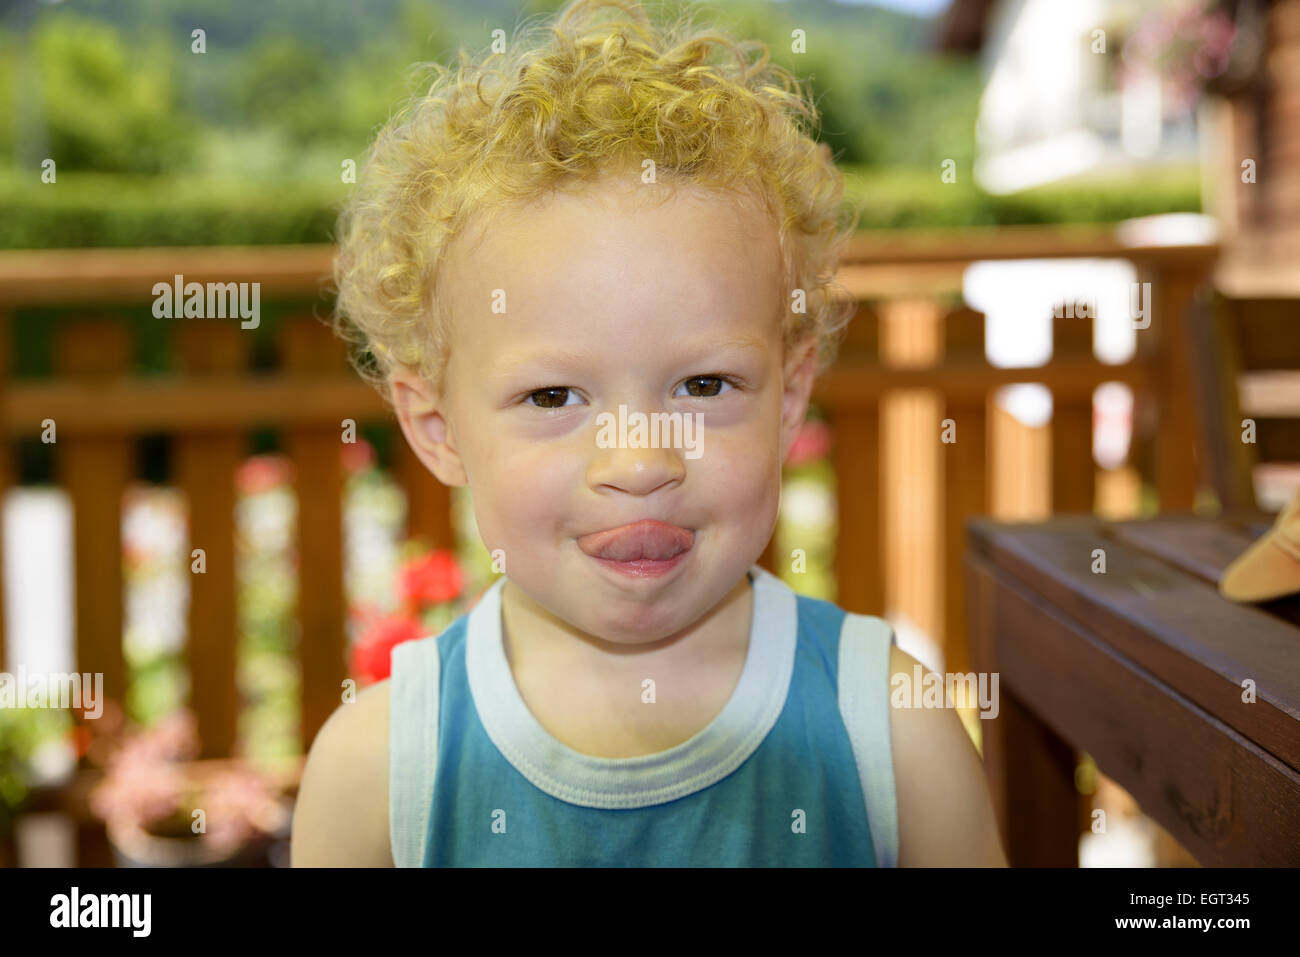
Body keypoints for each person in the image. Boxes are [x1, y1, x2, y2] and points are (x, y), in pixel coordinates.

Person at [291, 0, 1007, 867]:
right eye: (554, 396)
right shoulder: (378, 776)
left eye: (705, 384)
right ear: (437, 427)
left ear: (790, 397)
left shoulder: (891, 734)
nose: (639, 461)